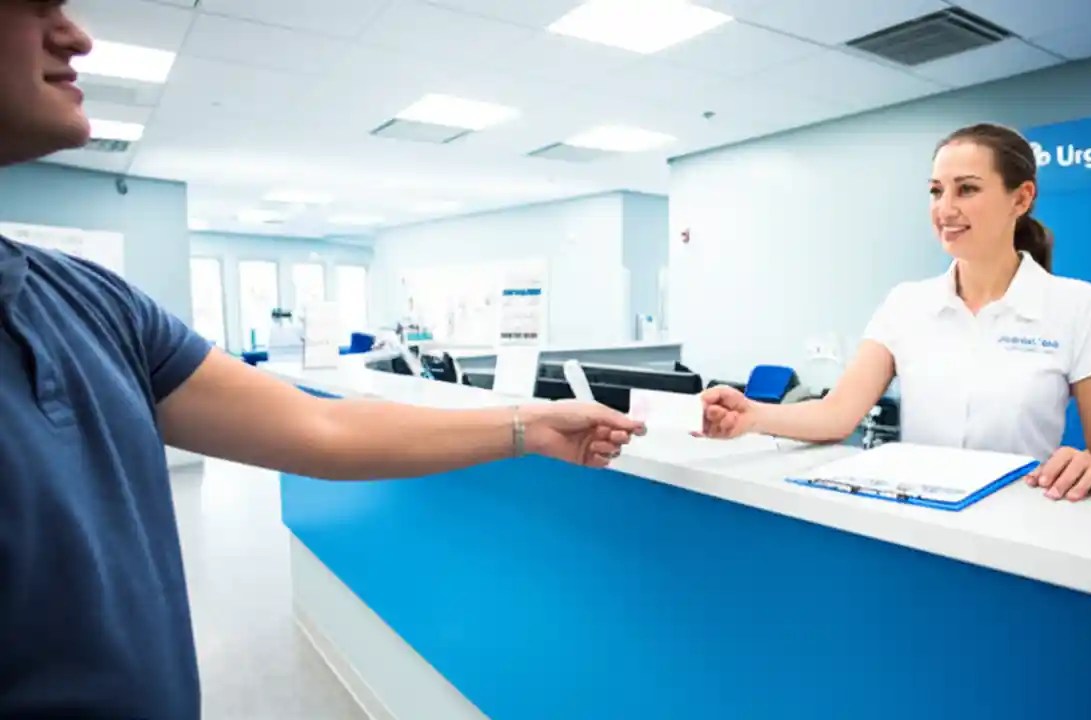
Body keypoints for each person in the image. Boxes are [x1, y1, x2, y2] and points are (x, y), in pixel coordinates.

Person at [0, 3, 643, 717]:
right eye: (28, 3)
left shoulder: (90, 303)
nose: (75, 35)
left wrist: (528, 426)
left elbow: (319, 428)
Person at [702, 122, 1091, 504]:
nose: (944, 209)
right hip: (920, 523)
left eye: (967, 189)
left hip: (1020, 525)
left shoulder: (1079, 306)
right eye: (936, 191)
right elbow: (837, 415)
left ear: (1021, 198)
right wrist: (751, 416)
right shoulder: (905, 304)